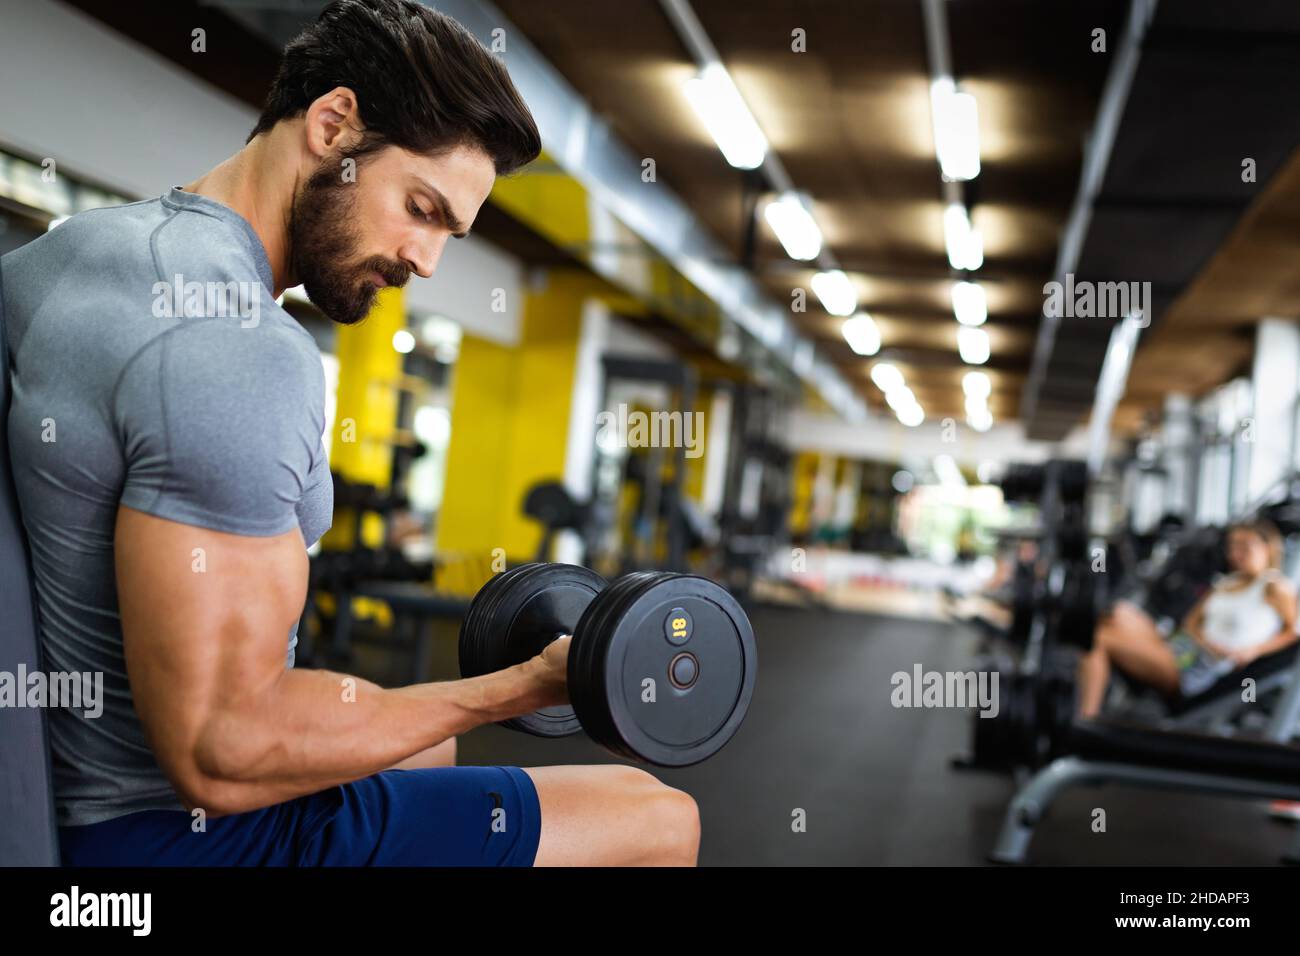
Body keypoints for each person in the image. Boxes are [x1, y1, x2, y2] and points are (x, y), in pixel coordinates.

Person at [1, 0, 698, 866]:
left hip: (70, 787)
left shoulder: (64, 256)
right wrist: (516, 687)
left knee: (431, 746)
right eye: (421, 206)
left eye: (451, 230)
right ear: (333, 127)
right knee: (656, 817)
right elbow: (224, 751)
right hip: (170, 839)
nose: (428, 261)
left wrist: (465, 700)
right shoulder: (237, 348)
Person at [1077, 522, 1298, 718]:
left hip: (1197, 667)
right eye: (1232, 546)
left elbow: (1293, 632)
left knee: (1095, 638)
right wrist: (1201, 640)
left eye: (1244, 546)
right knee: (1118, 612)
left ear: (1267, 547)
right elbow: (1191, 622)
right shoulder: (1225, 583)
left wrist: (1254, 651)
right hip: (1184, 646)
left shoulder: (1275, 586)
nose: (1235, 554)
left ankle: (1086, 722)